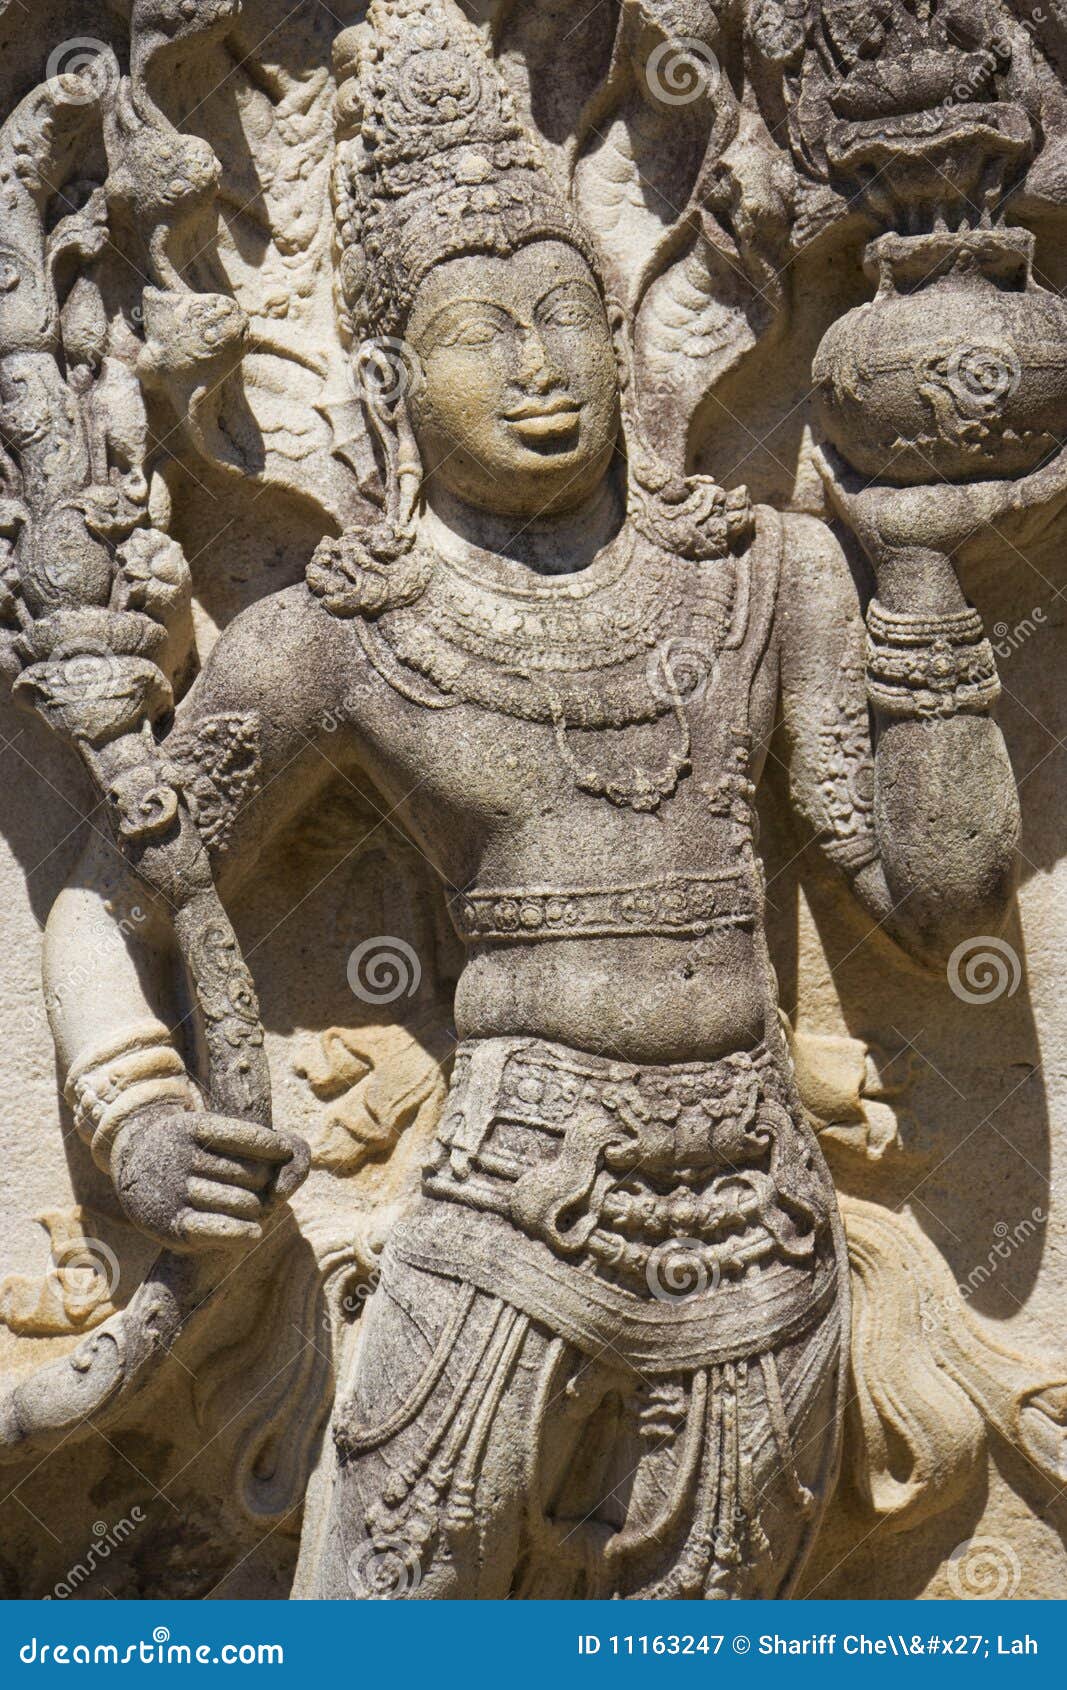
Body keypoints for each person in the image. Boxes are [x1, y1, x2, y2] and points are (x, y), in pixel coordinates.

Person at [44, 0, 1019, 1599]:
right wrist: (137, 1111)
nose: (536, 364)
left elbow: (939, 902)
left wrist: (920, 571)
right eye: (478, 329)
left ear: (621, 337)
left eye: (565, 311)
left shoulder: (763, 577)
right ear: (383, 377)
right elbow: (114, 887)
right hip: (505, 1223)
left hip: (762, 1241)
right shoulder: (341, 638)